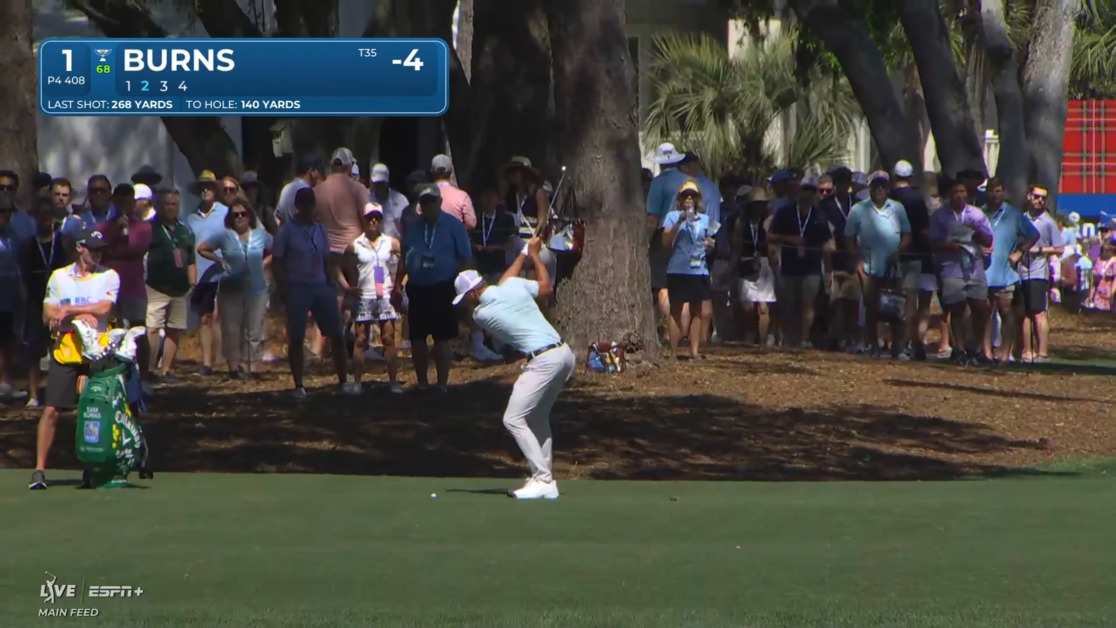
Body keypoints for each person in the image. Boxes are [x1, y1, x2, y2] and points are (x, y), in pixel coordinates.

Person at [452, 237, 574, 500]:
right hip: (564, 355)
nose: (466, 304)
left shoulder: (481, 315)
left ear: (473, 293)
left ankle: (543, 478)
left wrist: (525, 256)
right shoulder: (514, 287)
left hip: (544, 361)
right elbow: (545, 287)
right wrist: (530, 256)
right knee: (537, 417)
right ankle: (544, 479)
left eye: (465, 298)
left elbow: (504, 284)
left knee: (513, 419)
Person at [30, 227, 119, 490]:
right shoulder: (59, 277)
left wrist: (69, 309)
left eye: (101, 250)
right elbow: (48, 313)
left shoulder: (109, 276)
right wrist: (74, 315)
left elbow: (104, 308)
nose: (98, 255)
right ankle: (39, 470)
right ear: (80, 248)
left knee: (92, 411)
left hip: (97, 351)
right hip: (66, 350)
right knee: (51, 410)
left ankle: (92, 466)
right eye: (93, 249)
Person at [273, 188, 354, 397]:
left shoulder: (320, 230)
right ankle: (299, 384)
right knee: (297, 337)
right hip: (297, 287)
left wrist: (332, 282)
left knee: (336, 333)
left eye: (311, 203)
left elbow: (327, 259)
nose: (308, 208)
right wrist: (283, 288)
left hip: (320, 286)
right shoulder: (287, 231)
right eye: (304, 204)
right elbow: (278, 261)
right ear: (297, 206)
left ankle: (344, 380)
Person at [393, 183, 472, 392]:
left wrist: (462, 289)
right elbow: (404, 258)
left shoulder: (454, 226)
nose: (428, 206)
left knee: (441, 338)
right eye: (424, 202)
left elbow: (465, 258)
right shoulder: (413, 226)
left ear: (440, 202)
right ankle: (422, 383)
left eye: (431, 201)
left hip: (443, 287)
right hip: (418, 288)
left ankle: (442, 384)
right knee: (417, 338)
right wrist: (397, 287)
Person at [196, 200, 272, 379]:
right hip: (230, 288)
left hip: (256, 288)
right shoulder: (224, 235)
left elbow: (274, 252)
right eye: (235, 214)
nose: (239, 217)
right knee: (231, 328)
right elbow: (202, 248)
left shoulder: (260, 235)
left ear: (249, 216)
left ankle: (251, 365)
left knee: (253, 328)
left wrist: (263, 264)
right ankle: (234, 367)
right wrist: (219, 261)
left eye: (243, 214)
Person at [337, 204, 402, 393]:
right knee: (360, 339)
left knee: (388, 337)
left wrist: (398, 283)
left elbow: (402, 261)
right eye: (369, 217)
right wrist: (349, 288)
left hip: (384, 295)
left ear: (381, 220)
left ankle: (393, 381)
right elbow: (340, 267)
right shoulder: (354, 245)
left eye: (377, 217)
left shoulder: (391, 243)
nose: (373, 221)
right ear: (364, 219)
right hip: (364, 295)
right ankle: (357, 382)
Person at [846, 174, 911, 359]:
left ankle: (897, 347)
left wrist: (899, 251)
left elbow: (907, 235)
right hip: (869, 267)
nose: (880, 190)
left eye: (883, 187)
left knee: (896, 308)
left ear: (888, 189)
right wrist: (857, 260)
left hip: (893, 267)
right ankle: (872, 345)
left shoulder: (898, 208)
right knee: (871, 307)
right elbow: (849, 238)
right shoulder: (858, 209)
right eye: (876, 187)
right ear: (871, 189)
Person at [930, 178, 994, 365]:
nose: (959, 195)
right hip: (951, 266)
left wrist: (976, 232)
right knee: (956, 309)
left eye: (962, 192)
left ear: (967, 194)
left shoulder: (976, 214)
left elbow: (988, 240)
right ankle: (958, 348)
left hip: (974, 266)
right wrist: (949, 245)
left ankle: (978, 347)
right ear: (950, 194)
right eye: (955, 192)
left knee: (980, 308)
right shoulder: (940, 216)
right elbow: (933, 242)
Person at [768, 175, 833, 348]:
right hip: (789, 266)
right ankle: (789, 338)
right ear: (799, 191)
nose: (808, 194)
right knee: (788, 304)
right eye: (805, 190)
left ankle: (804, 338)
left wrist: (828, 270)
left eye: (812, 191)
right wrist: (790, 239)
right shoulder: (785, 212)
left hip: (811, 266)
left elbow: (827, 243)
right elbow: (771, 236)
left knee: (808, 303)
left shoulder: (820, 215)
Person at [980, 177, 1039, 363]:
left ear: (1003, 192)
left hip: (1005, 273)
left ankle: (1006, 353)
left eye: (998, 191)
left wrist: (1019, 252)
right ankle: (986, 352)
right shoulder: (980, 213)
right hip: (983, 272)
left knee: (1006, 312)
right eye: (991, 191)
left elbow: (1033, 235)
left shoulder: (1013, 214)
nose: (994, 194)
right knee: (985, 313)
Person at [101, 183, 154, 373]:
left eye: (128, 199)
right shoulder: (106, 226)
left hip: (134, 285)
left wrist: (116, 245)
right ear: (114, 200)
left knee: (138, 328)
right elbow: (100, 247)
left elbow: (135, 248)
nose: (124, 203)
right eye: (120, 199)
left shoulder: (143, 227)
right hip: (110, 286)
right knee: (112, 328)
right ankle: (114, 370)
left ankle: (144, 374)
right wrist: (116, 230)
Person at [144, 188, 196, 383]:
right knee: (153, 328)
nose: (171, 207)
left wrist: (193, 282)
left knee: (175, 329)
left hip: (180, 288)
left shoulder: (185, 229)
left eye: (174, 204)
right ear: (158, 205)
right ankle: (148, 369)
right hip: (156, 286)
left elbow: (190, 258)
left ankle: (166, 369)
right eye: (167, 204)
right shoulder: (150, 228)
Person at [22, 197, 69, 407]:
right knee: (33, 350)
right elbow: (22, 274)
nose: (44, 220)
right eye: (40, 216)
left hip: (58, 304)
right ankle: (33, 394)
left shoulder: (61, 243)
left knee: (58, 348)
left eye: (48, 216)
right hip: (35, 303)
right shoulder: (29, 245)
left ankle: (56, 393)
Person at [661, 180, 715, 359]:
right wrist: (679, 222)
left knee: (697, 311)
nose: (689, 198)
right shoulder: (671, 216)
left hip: (699, 270)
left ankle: (694, 351)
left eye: (692, 195)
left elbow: (711, 240)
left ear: (698, 198)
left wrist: (710, 243)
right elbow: (665, 242)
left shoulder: (705, 219)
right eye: (685, 195)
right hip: (678, 269)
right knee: (675, 309)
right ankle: (673, 352)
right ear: (680, 198)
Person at [890, 160, 935, 360]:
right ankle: (912, 342)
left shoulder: (888, 196)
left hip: (890, 255)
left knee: (892, 301)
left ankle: (897, 342)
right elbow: (925, 231)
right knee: (911, 303)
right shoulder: (917, 200)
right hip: (916, 256)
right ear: (910, 177)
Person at [314, 147, 368, 309]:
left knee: (336, 298)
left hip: (329, 254)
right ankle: (351, 331)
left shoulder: (317, 191)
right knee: (357, 298)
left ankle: (336, 332)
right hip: (354, 250)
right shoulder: (358, 189)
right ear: (349, 166)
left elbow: (313, 223)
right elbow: (368, 218)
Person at [186, 169, 228, 375]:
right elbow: (187, 248)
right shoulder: (191, 218)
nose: (205, 190)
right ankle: (207, 363)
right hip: (201, 275)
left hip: (223, 273)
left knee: (222, 316)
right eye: (202, 187)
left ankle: (225, 359)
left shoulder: (226, 213)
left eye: (209, 187)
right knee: (204, 318)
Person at [470, 187, 518, 361]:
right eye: (485, 196)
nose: (488, 200)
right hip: (480, 268)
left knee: (499, 305)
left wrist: (493, 248)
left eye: (492, 196)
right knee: (480, 305)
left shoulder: (505, 219)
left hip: (498, 267)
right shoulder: (475, 219)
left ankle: (501, 343)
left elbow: (510, 244)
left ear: (497, 198)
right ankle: (481, 344)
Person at [645, 143, 690, 324]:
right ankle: (684, 333)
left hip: (665, 235)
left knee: (663, 286)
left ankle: (668, 331)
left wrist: (646, 242)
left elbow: (652, 218)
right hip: (688, 235)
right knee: (683, 287)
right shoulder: (689, 181)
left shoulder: (658, 182)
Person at [1019, 186, 1063, 362]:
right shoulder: (1021, 218)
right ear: (1029, 196)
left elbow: (1059, 248)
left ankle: (1042, 353)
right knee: (1025, 313)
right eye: (1037, 197)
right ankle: (1027, 351)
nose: (1040, 200)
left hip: (1038, 272)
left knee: (1038, 312)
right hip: (1021, 272)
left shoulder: (1048, 222)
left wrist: (1040, 249)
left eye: (1043, 198)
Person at [821, 167, 860, 352]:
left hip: (853, 259)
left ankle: (851, 337)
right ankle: (834, 336)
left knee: (852, 301)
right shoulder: (825, 205)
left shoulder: (858, 204)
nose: (843, 186)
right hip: (832, 259)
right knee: (833, 300)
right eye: (840, 182)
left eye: (846, 182)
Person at [730, 186, 775, 345]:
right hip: (746, 262)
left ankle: (762, 341)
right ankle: (749, 338)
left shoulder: (768, 222)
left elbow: (772, 246)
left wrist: (773, 265)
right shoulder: (741, 222)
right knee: (747, 307)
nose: (758, 207)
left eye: (761, 204)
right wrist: (734, 267)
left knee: (763, 306)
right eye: (755, 203)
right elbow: (736, 246)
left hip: (764, 264)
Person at [0, 191, 28, 402]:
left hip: (10, 297)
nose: (5, 216)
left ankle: (6, 383)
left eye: (9, 212)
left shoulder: (12, 235)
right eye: (2, 212)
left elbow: (18, 266)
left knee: (9, 341)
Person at [430, 154, 477, 230]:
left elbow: (418, 217)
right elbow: (471, 223)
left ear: (432, 172)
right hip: (454, 240)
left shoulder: (425, 195)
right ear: (451, 172)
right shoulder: (462, 196)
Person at [276, 154, 322, 226]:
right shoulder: (309, 192)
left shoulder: (286, 189)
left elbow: (279, 217)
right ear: (311, 172)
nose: (319, 175)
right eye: (318, 170)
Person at [368, 162, 409, 239]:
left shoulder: (401, 200)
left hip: (395, 245)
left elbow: (407, 226)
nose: (378, 186)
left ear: (387, 182)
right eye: (376, 183)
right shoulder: (366, 198)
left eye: (381, 183)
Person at [678, 152, 721, 224]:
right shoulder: (712, 186)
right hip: (711, 230)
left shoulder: (689, 186)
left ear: (685, 167)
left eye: (679, 169)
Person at [241, 171, 277, 235]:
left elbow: (275, 235)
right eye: (246, 188)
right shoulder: (236, 212)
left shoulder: (265, 212)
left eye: (253, 187)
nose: (250, 191)